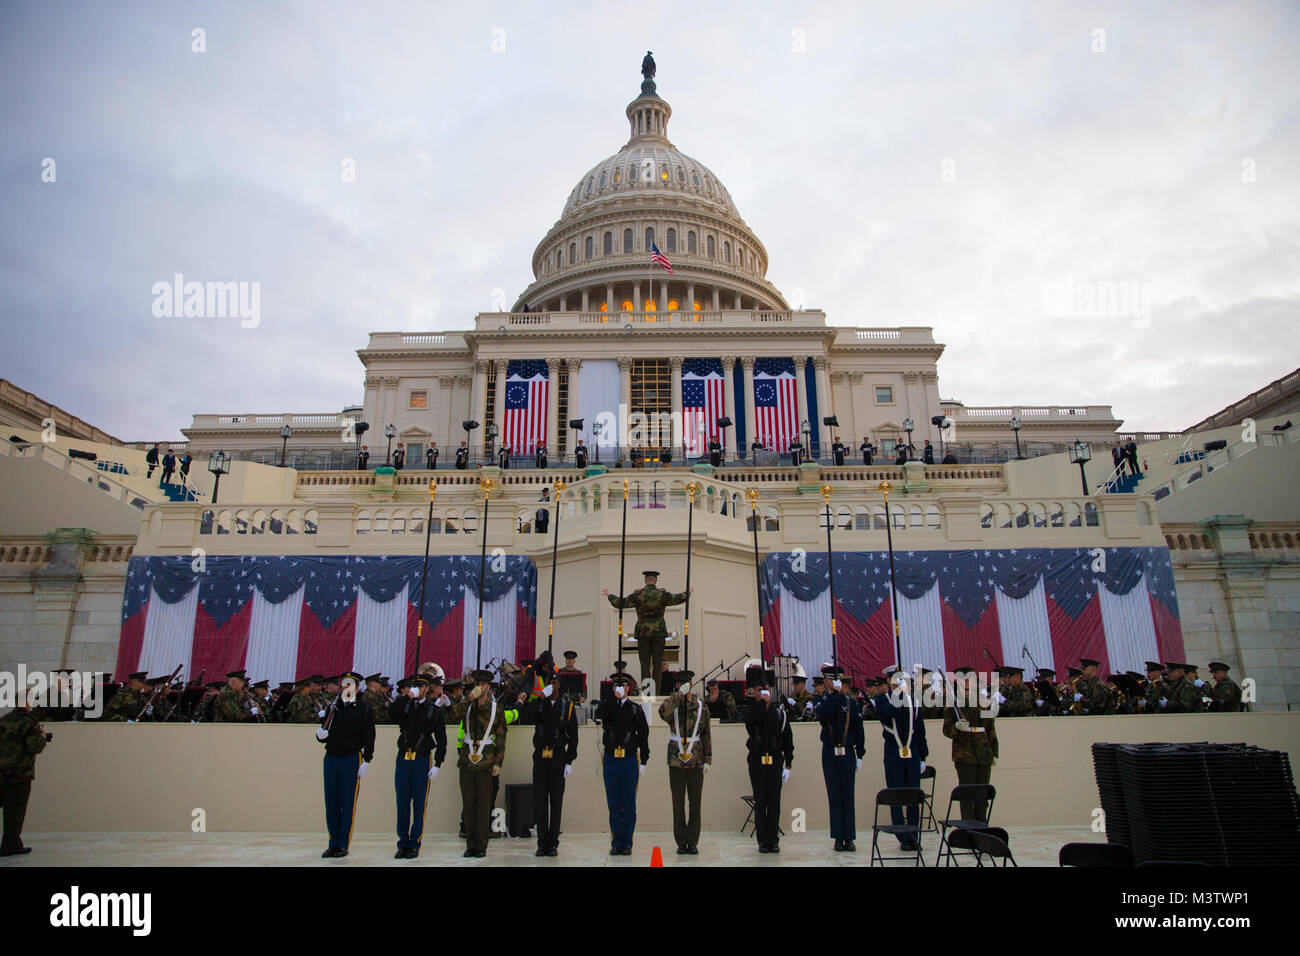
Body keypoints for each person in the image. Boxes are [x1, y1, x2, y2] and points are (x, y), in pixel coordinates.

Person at [315, 671, 375, 858]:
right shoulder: (334, 708)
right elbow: (324, 734)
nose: (346, 688)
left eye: (350, 685)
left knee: (347, 803)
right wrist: (320, 734)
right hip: (331, 758)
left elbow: (369, 737)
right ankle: (332, 842)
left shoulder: (364, 709)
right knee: (331, 802)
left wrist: (367, 759)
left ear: (357, 688)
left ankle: (342, 844)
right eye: (344, 685)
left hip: (351, 758)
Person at [603, 570, 690, 696]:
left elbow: (620, 603)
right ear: (656, 581)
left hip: (643, 632)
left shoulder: (638, 594)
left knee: (644, 664)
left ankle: (647, 692)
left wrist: (609, 595)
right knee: (658, 663)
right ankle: (656, 693)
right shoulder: (662, 594)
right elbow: (678, 598)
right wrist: (689, 592)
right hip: (659, 632)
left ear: (645, 580)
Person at [451, 669, 508, 858]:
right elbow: (452, 716)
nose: (480, 687)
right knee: (469, 804)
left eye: (483, 685)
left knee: (483, 805)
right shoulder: (467, 706)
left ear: (488, 687)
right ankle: (470, 843)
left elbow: (500, 737)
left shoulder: (495, 709)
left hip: (486, 761)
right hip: (467, 761)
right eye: (477, 684)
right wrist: (468, 699)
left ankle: (481, 845)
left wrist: (498, 762)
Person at [389, 674, 446, 859]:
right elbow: (390, 713)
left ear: (427, 688)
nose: (418, 689)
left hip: (422, 759)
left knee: (419, 804)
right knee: (402, 803)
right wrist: (407, 697)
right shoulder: (405, 706)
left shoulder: (432, 710)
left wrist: (438, 763)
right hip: (403, 758)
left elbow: (442, 739)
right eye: (415, 686)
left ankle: (415, 843)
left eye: (421, 686)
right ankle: (403, 843)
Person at [873, 670, 927, 851]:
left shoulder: (914, 701)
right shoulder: (882, 699)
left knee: (913, 795)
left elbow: (919, 729)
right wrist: (897, 693)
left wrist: (923, 756)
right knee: (895, 794)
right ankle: (902, 837)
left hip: (912, 751)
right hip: (893, 751)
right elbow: (892, 712)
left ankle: (913, 835)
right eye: (894, 679)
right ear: (888, 681)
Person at [596, 674, 649, 855]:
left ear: (628, 688)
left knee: (628, 803)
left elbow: (643, 736)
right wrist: (613, 700)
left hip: (629, 760)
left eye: (623, 685)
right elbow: (598, 714)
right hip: (611, 759)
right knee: (613, 803)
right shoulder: (608, 707)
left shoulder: (635, 709)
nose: (620, 688)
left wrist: (645, 760)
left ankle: (627, 842)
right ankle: (616, 842)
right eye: (616, 685)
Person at [659, 670, 710, 854]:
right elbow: (662, 711)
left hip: (696, 758)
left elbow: (706, 734)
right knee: (678, 802)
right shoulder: (673, 705)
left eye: (687, 684)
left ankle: (693, 840)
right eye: (681, 684)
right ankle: (681, 841)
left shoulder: (701, 706)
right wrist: (679, 695)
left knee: (695, 802)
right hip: (676, 759)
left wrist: (708, 759)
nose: (685, 687)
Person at [815, 666, 864, 851]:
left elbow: (858, 729)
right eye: (829, 679)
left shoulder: (850, 703)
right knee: (834, 795)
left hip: (847, 752)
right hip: (830, 752)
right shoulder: (822, 701)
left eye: (835, 679)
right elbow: (822, 713)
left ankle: (849, 837)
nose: (832, 682)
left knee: (848, 795)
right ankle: (838, 836)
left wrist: (860, 753)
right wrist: (834, 695)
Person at [744, 667, 793, 853]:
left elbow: (787, 739)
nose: (763, 693)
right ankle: (762, 840)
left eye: (766, 690)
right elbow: (751, 724)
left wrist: (788, 763)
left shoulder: (779, 714)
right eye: (759, 690)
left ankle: (773, 839)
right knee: (761, 800)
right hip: (757, 760)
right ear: (755, 693)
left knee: (774, 801)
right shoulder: (753, 710)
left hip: (774, 760)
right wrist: (761, 705)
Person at [532, 670, 578, 856]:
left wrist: (569, 760)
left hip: (558, 757)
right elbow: (528, 715)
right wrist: (541, 696)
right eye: (549, 682)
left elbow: (573, 736)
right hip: (541, 757)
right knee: (540, 801)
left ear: (560, 685)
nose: (552, 685)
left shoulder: (567, 707)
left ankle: (553, 843)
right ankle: (541, 842)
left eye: (555, 682)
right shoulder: (541, 704)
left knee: (556, 802)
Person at [942, 665, 997, 822]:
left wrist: (994, 752)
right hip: (964, 753)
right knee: (967, 795)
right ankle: (968, 829)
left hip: (983, 752)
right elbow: (947, 730)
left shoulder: (983, 701)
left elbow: (990, 728)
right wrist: (957, 728)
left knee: (982, 795)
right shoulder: (953, 703)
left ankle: (981, 827)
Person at [0, 690, 52, 856]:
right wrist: (43, 738)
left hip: (2, 771)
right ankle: (11, 845)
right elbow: (34, 747)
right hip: (19, 773)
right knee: (15, 811)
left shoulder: (4, 719)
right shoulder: (29, 721)